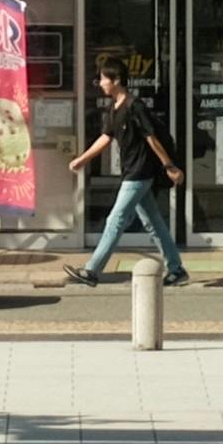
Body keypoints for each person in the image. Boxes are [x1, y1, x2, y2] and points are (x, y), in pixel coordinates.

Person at [66, 53, 189, 285]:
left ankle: (92, 270)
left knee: (116, 219)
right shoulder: (114, 109)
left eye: (103, 78)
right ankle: (177, 269)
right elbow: (105, 138)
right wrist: (82, 159)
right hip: (131, 171)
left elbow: (151, 138)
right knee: (154, 223)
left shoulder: (135, 106)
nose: (100, 83)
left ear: (116, 79)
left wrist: (169, 166)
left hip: (140, 173)